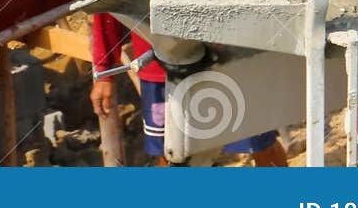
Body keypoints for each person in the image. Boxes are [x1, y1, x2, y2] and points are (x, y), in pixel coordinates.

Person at [89, 12, 289, 166]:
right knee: (169, 153)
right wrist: (104, 71)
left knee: (259, 143)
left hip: (223, 57)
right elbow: (110, 3)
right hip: (160, 70)